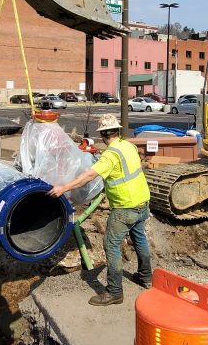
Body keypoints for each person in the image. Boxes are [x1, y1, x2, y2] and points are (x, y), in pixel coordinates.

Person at [49, 114, 152, 306]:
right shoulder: (128, 146)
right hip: (142, 202)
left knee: (111, 245)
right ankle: (146, 277)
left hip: (125, 207)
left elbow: (88, 175)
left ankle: (114, 292)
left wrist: (63, 188)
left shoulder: (110, 155)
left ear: (103, 134)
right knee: (139, 239)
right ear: (118, 131)